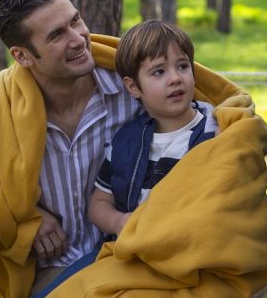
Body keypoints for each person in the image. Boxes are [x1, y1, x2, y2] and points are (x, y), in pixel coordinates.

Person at [0, 0, 267, 296]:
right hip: (51, 272)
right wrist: (27, 216)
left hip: (139, 258)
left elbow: (223, 120)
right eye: (58, 35)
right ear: (23, 55)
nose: (79, 39)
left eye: (75, 20)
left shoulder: (136, 85)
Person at [88, 19, 218, 238]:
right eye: (159, 72)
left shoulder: (215, 128)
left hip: (194, 248)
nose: (175, 78)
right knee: (76, 275)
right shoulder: (125, 142)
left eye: (183, 66)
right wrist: (119, 222)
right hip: (134, 251)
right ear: (132, 86)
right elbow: (99, 203)